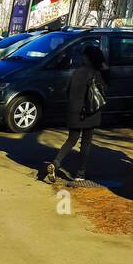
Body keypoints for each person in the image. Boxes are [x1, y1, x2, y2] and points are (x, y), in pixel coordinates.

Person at [40, 44, 108, 186]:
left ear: (87, 58)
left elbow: (69, 91)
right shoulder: (97, 73)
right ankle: (80, 173)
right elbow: (104, 91)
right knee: (86, 143)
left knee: (71, 139)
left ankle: (56, 162)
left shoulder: (77, 72)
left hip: (74, 111)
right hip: (90, 112)